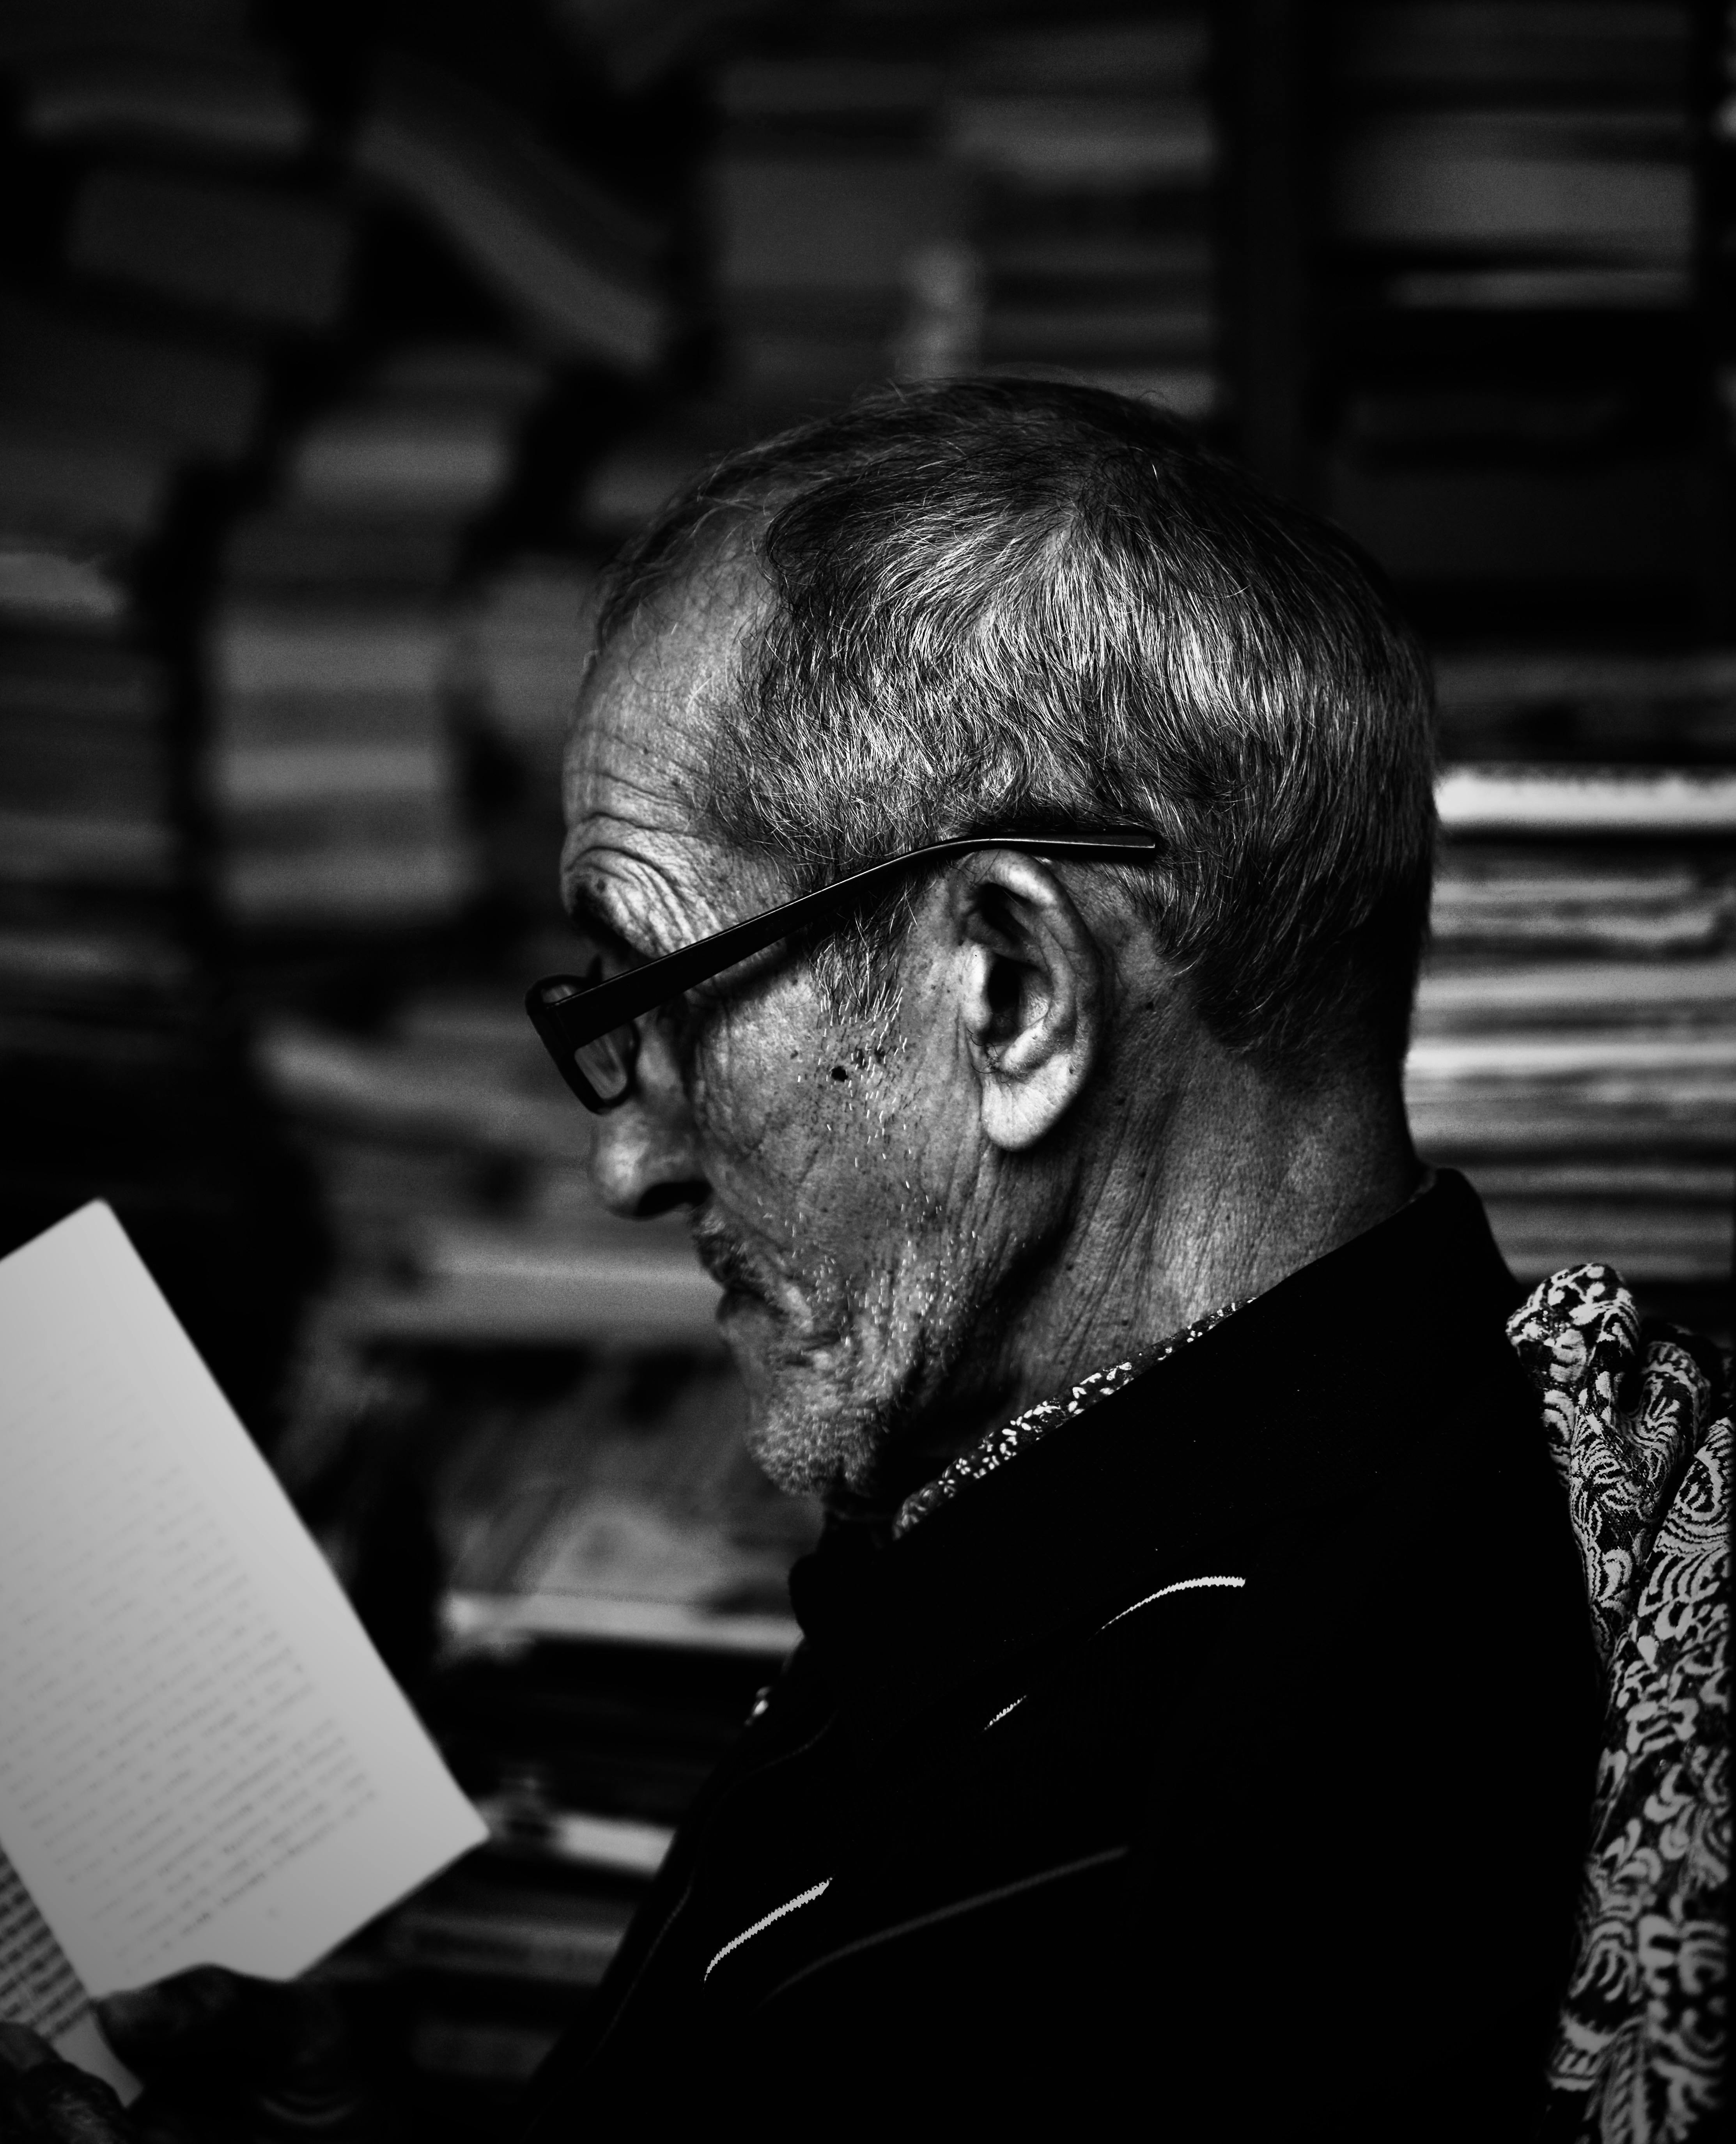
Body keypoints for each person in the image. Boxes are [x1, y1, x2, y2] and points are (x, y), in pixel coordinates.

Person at [0, 381, 1626, 2139]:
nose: (626, 1162)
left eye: (665, 998)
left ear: (1011, 996)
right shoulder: (1168, 1529)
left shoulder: (1224, 1836)